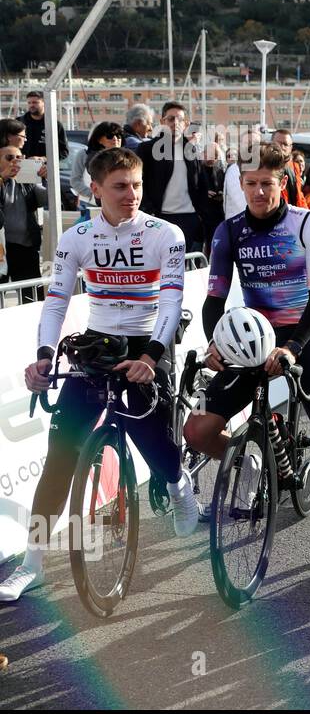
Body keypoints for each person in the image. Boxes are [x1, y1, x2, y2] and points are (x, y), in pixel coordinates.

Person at [184, 145, 310, 597]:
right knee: (197, 432)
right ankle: (255, 465)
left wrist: (294, 347)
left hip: (304, 335)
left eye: (267, 184)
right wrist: (215, 343)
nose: (258, 191)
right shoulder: (228, 232)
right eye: (250, 183)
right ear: (240, 185)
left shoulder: (306, 223)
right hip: (253, 335)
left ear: (283, 182)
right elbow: (215, 300)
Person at [2, 147, 189, 604]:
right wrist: (45, 356)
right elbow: (56, 301)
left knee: (160, 454)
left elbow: (170, 303)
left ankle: (179, 484)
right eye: (120, 186)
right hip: (98, 348)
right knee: (59, 459)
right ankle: (32, 564)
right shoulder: (77, 236)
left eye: (137, 186)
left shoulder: (166, 234)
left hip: (149, 343)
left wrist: (152, 356)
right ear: (96, 189)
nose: (131, 195)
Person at [139, 101, 206, 252]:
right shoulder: (147, 149)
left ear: (186, 123)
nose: (175, 123)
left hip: (189, 218)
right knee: (160, 265)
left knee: (186, 268)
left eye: (180, 119)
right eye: (170, 119)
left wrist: (200, 215)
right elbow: (138, 182)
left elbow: (201, 183)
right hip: (160, 218)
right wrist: (149, 211)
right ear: (162, 122)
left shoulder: (192, 150)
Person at [0, 145, 49, 302]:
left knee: (31, 297)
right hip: (1, 250)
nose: (15, 162)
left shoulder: (27, 179)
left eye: (20, 158)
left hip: (24, 247)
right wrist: (2, 177)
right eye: (9, 158)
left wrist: (48, 178)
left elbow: (47, 198)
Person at [77, 121, 126, 218]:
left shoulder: (125, 157)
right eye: (109, 136)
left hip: (115, 203)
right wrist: (91, 194)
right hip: (94, 204)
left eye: (119, 136)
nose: (115, 139)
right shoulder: (95, 158)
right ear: (99, 140)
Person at [20, 91, 69, 165]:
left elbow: (64, 151)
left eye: (35, 102)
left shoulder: (54, 125)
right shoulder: (19, 123)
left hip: (46, 170)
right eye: (29, 103)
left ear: (44, 103)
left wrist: (44, 159)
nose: (31, 105)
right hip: (21, 168)